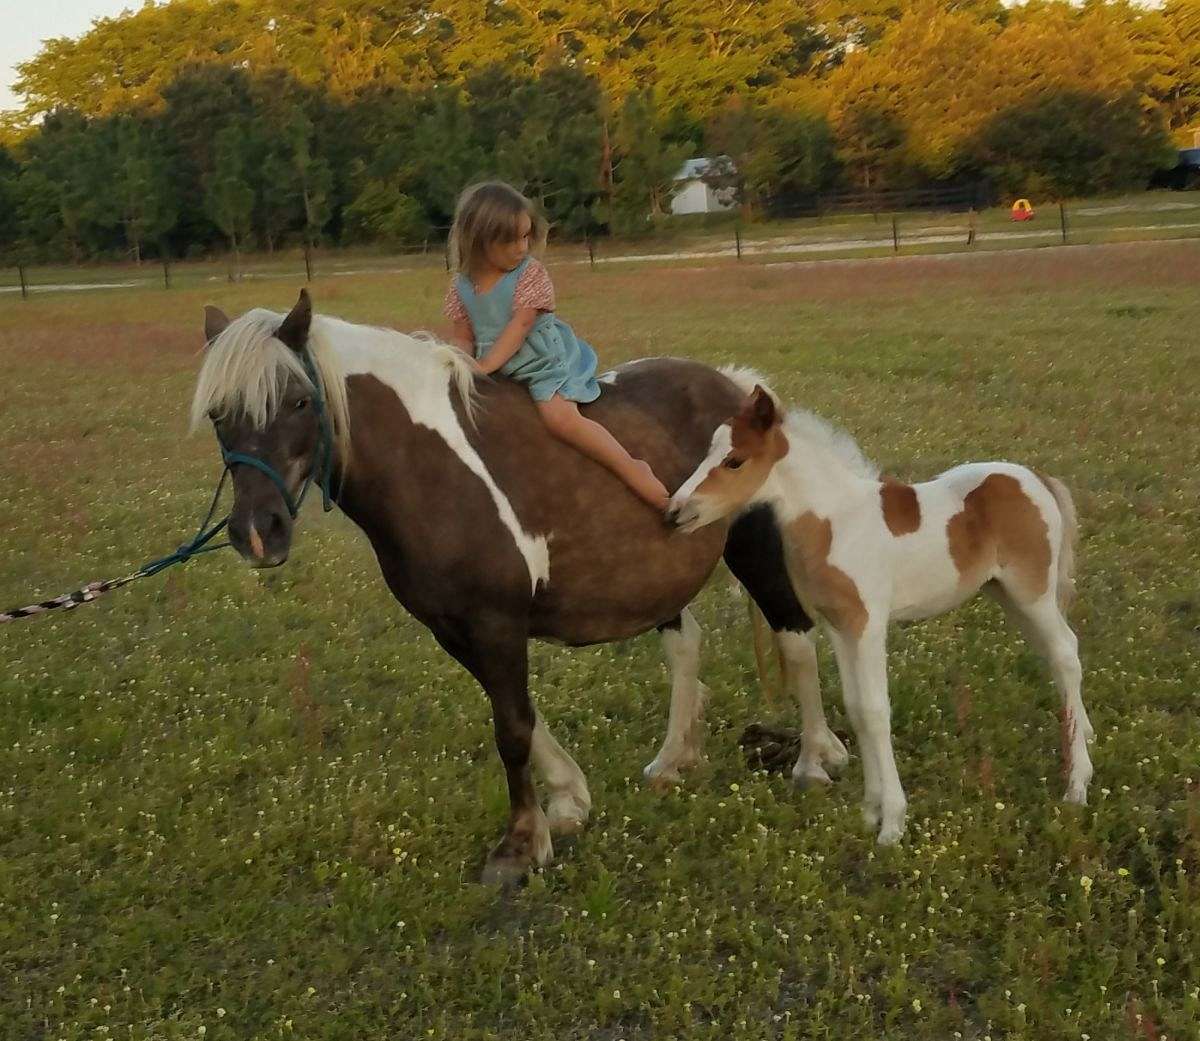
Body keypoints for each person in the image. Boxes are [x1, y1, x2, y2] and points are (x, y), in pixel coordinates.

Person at [443, 181, 670, 511]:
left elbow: (520, 325)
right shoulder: (461, 285)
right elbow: (463, 335)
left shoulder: (528, 273)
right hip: (493, 364)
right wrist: (462, 366)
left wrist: (487, 365)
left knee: (559, 418)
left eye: (526, 237)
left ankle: (632, 467)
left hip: (539, 360)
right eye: (511, 240)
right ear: (479, 239)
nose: (522, 248)